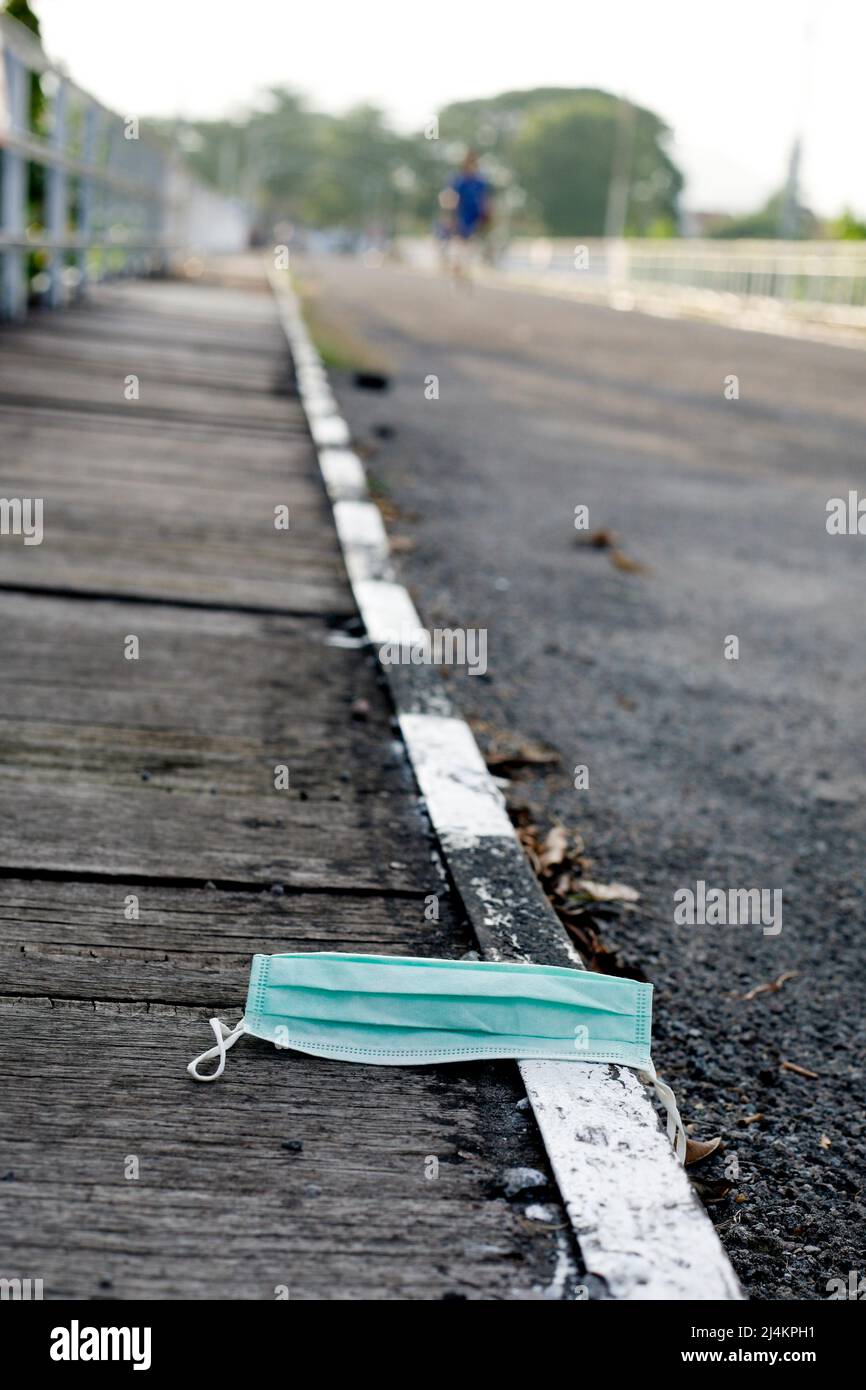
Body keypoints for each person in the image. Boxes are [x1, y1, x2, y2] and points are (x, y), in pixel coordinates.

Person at [440, 152, 491, 279]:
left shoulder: (480, 182)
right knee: (459, 240)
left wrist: (486, 213)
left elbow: (484, 198)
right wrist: (450, 216)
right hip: (460, 213)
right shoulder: (458, 180)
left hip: (475, 215)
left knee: (470, 242)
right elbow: (450, 197)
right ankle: (457, 264)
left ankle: (465, 267)